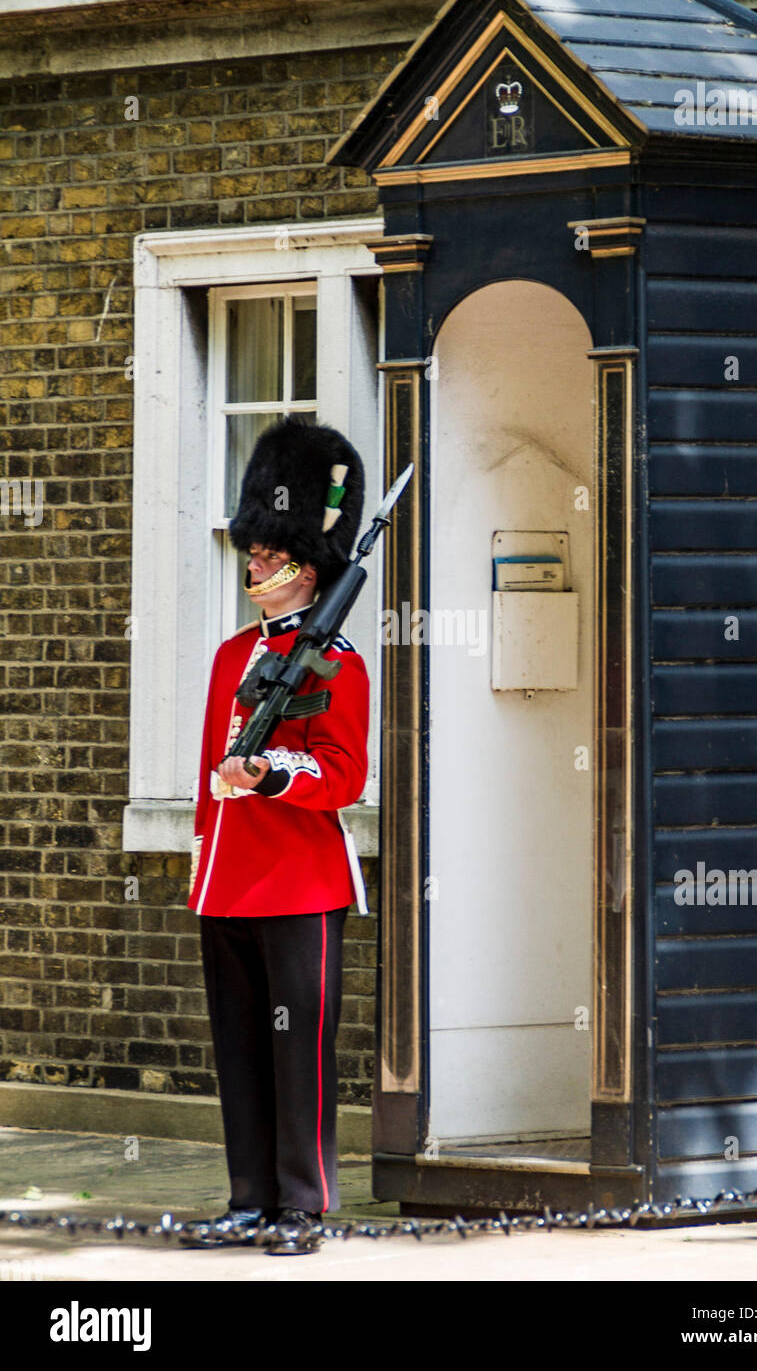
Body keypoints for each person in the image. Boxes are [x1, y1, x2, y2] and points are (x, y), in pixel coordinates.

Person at [183, 415, 369, 1256]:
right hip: (227, 879)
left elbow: (344, 776)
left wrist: (277, 774)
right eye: (253, 549)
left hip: (299, 881)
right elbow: (206, 777)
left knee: (299, 1055)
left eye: (268, 551)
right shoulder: (230, 657)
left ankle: (303, 1203)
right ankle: (249, 1196)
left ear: (305, 564)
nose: (253, 560)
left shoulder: (340, 664)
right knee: (242, 1048)